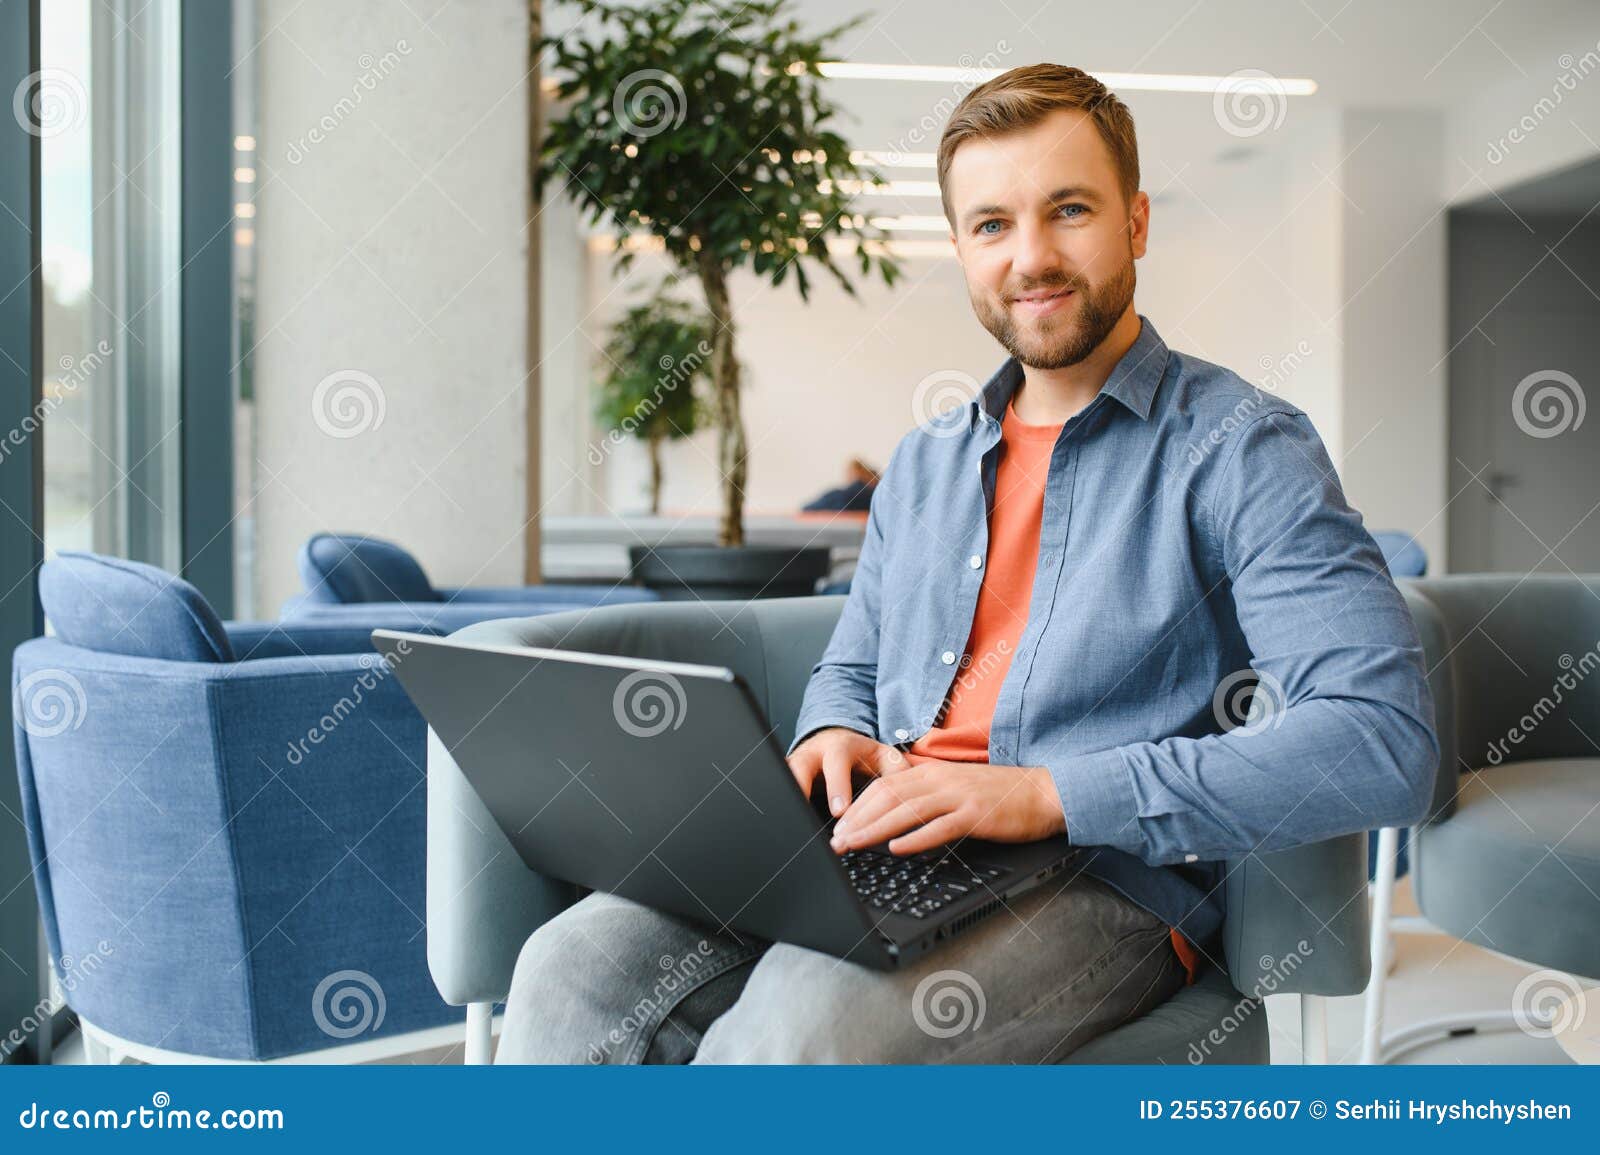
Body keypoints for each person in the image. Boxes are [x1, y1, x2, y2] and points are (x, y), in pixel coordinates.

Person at [495, 63, 1437, 1065]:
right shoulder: (923, 464)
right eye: (991, 224)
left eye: (1068, 209)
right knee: (568, 969)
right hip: (888, 841)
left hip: (1098, 877)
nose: (1031, 256)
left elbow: (1380, 744)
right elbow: (853, 668)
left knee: (798, 1036)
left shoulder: (1244, 447)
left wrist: (1044, 792)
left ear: (1136, 222)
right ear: (959, 248)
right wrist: (832, 731)